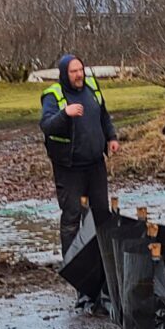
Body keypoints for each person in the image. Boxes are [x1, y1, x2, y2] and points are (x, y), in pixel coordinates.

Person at [39, 54, 119, 254]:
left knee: (100, 213)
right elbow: (46, 126)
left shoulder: (92, 87)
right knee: (72, 215)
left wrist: (112, 137)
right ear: (65, 74)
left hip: (95, 163)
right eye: (73, 71)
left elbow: (103, 115)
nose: (78, 75)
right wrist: (65, 113)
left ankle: (102, 256)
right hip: (69, 167)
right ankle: (71, 260)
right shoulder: (53, 95)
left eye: (80, 70)